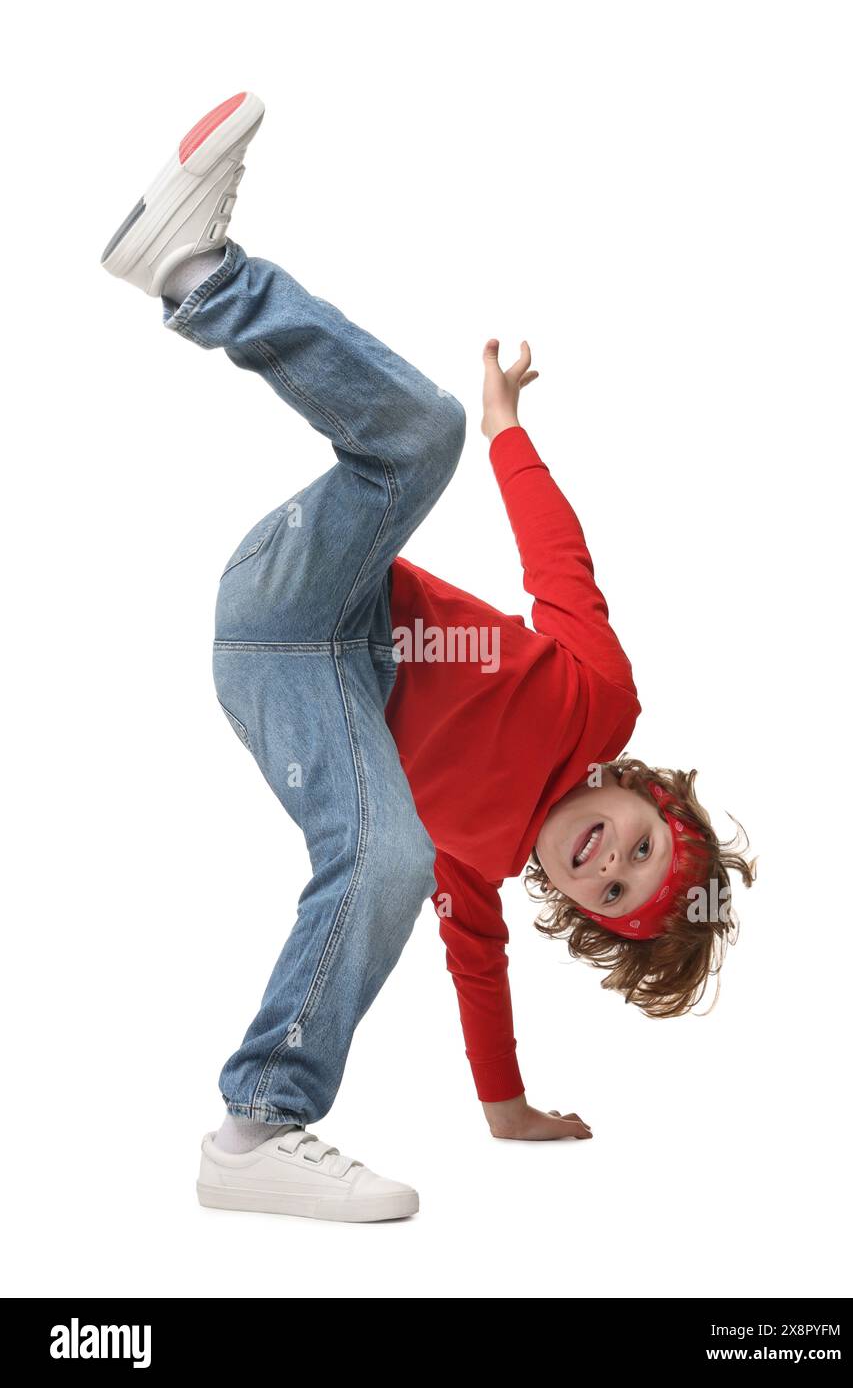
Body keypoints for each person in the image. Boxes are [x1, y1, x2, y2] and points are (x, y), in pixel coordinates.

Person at [101, 92, 755, 1223]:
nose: (611, 861)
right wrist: (509, 430)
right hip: (316, 586)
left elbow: (478, 980)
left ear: (573, 903)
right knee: (426, 432)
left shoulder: (475, 869)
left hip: (288, 681)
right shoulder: (600, 700)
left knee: (388, 858)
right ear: (642, 789)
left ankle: (255, 1126)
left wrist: (506, 1111)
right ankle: (202, 277)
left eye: (612, 891)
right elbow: (563, 567)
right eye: (641, 846)